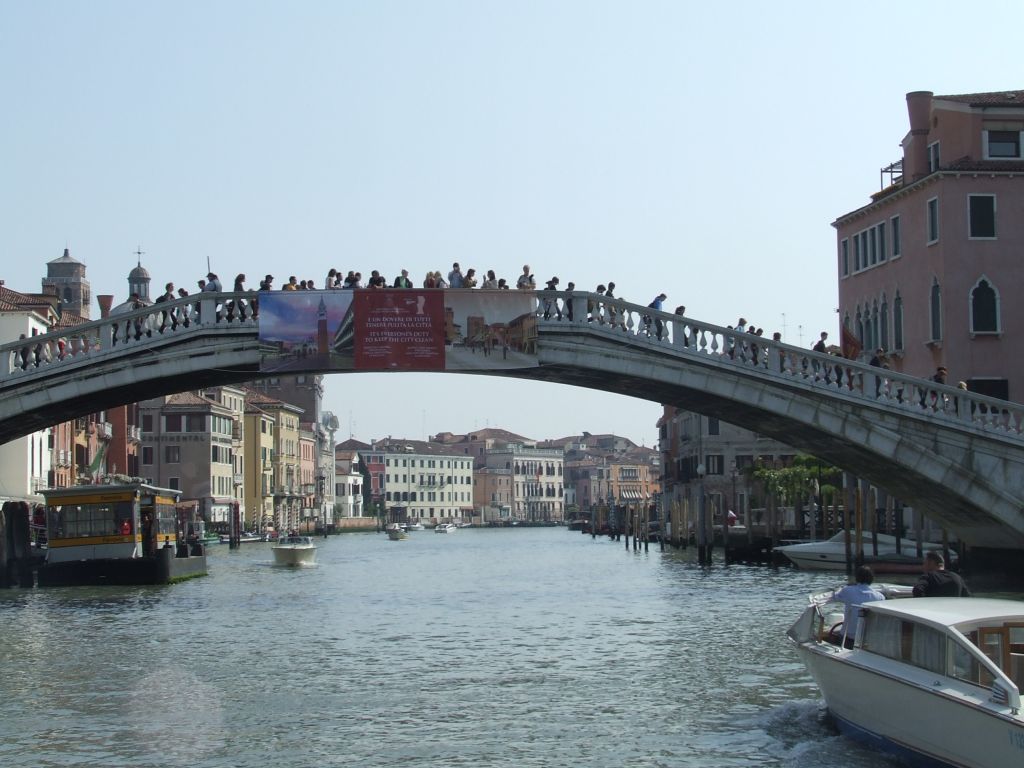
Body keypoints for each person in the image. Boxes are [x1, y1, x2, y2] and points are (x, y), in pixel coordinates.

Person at [834, 565, 885, 648]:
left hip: (848, 638)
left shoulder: (847, 591)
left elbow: (835, 597)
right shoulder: (880, 597)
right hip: (869, 640)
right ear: (871, 579)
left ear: (856, 577)